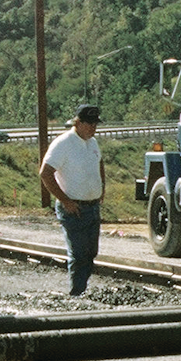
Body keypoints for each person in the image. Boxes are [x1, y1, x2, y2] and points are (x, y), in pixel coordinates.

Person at [40, 104, 105, 295]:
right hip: (73, 208)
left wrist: (102, 188)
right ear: (78, 122)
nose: (93, 128)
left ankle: (81, 289)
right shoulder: (63, 143)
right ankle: (76, 293)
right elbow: (45, 173)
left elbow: (100, 163)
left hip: (92, 206)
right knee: (78, 253)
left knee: (90, 252)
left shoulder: (92, 143)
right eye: (90, 124)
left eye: (95, 124)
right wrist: (65, 201)